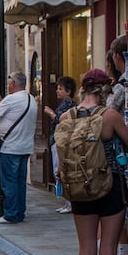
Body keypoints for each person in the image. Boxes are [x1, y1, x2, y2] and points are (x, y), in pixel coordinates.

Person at [56, 69, 128, 255]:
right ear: (104, 90)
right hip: (110, 187)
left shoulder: (68, 116)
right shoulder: (109, 116)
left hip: (80, 190)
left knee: (86, 253)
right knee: (108, 251)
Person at [0, 73, 39, 225]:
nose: (7, 86)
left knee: (9, 182)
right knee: (19, 182)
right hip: (25, 147)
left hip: (10, 147)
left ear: (14, 84)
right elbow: (14, 112)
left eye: (9, 83)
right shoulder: (31, 99)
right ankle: (19, 212)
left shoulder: (11, 99)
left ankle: (10, 214)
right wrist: (1, 101)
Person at [49, 75, 76, 213]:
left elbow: (61, 121)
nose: (57, 91)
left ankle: (70, 202)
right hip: (58, 141)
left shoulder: (68, 105)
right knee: (59, 171)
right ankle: (66, 202)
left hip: (61, 142)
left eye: (60, 89)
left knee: (62, 171)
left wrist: (51, 114)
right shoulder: (64, 104)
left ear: (68, 91)